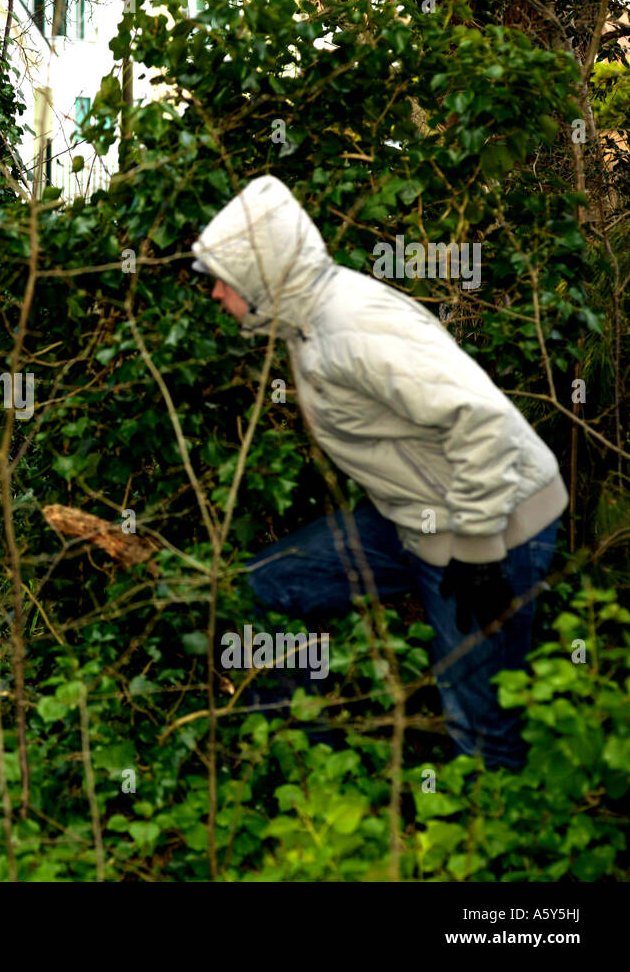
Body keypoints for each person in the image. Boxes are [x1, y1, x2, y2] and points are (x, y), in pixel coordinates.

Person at [191, 175, 565, 770]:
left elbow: (482, 420)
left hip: (495, 521)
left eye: (222, 279)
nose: (214, 293)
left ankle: (502, 835)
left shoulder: (353, 327)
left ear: (261, 277)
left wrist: (478, 552)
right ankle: (317, 770)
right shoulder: (305, 320)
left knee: (480, 721)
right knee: (263, 589)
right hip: (411, 516)